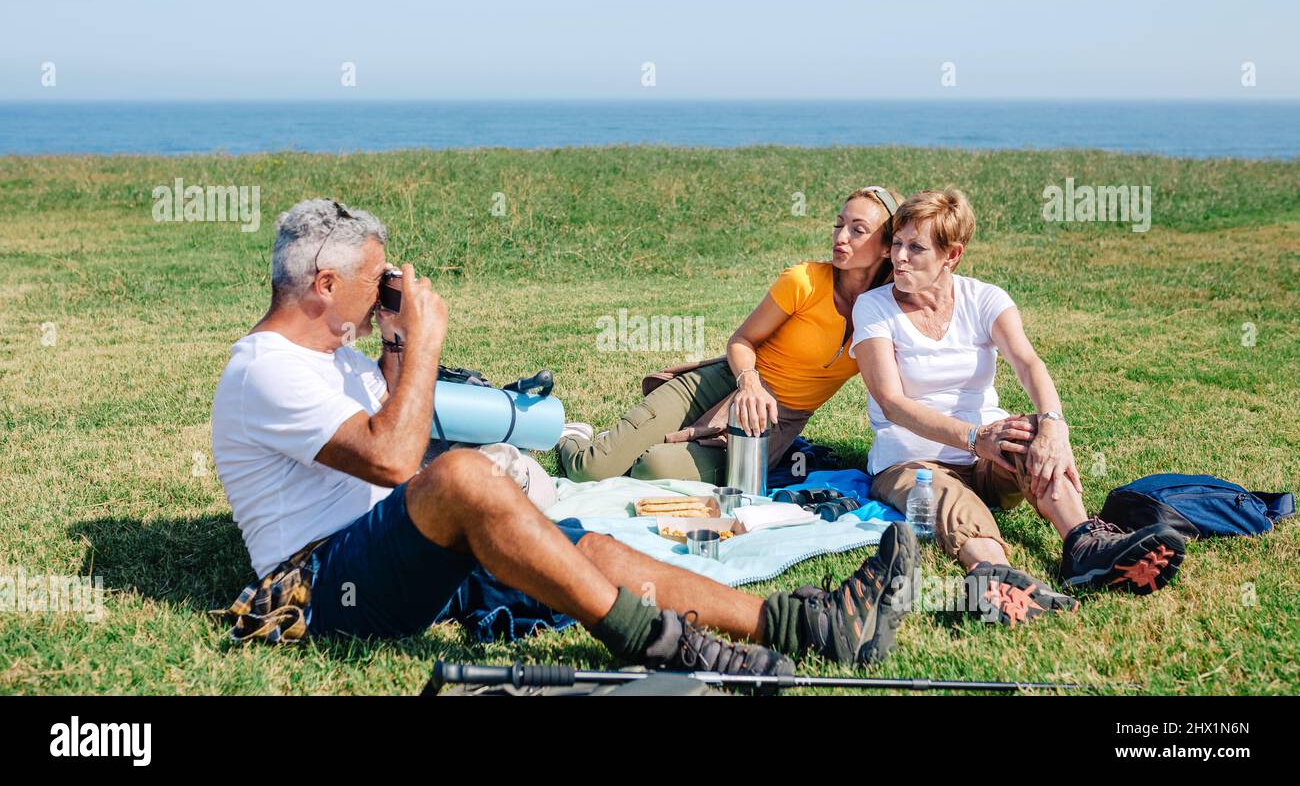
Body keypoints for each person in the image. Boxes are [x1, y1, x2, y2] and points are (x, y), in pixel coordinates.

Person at [210, 198, 920, 674]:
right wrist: (423, 345)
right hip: (325, 583)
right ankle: (650, 639)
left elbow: (402, 428)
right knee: (460, 476)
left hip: (401, 551)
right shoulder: (263, 370)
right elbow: (397, 462)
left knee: (591, 547)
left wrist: (396, 348)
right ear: (326, 284)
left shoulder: (337, 357)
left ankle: (809, 626)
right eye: (377, 280)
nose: (388, 290)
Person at [851, 189, 1185, 626]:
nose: (899, 257)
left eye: (916, 248)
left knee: (1032, 439)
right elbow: (892, 403)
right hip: (911, 458)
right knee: (947, 495)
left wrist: (1052, 425)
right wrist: (973, 438)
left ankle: (1084, 546)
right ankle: (995, 577)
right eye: (897, 244)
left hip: (991, 452)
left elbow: (1027, 363)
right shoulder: (874, 307)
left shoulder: (983, 298)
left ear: (952, 255)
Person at [559, 186, 901, 484]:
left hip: (774, 422)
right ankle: (574, 436)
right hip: (725, 381)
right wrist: (750, 383)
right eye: (839, 224)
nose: (841, 238)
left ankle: (628, 444)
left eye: (858, 230)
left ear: (887, 247)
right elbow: (741, 341)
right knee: (590, 468)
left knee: (652, 466)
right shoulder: (804, 281)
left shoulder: (885, 314)